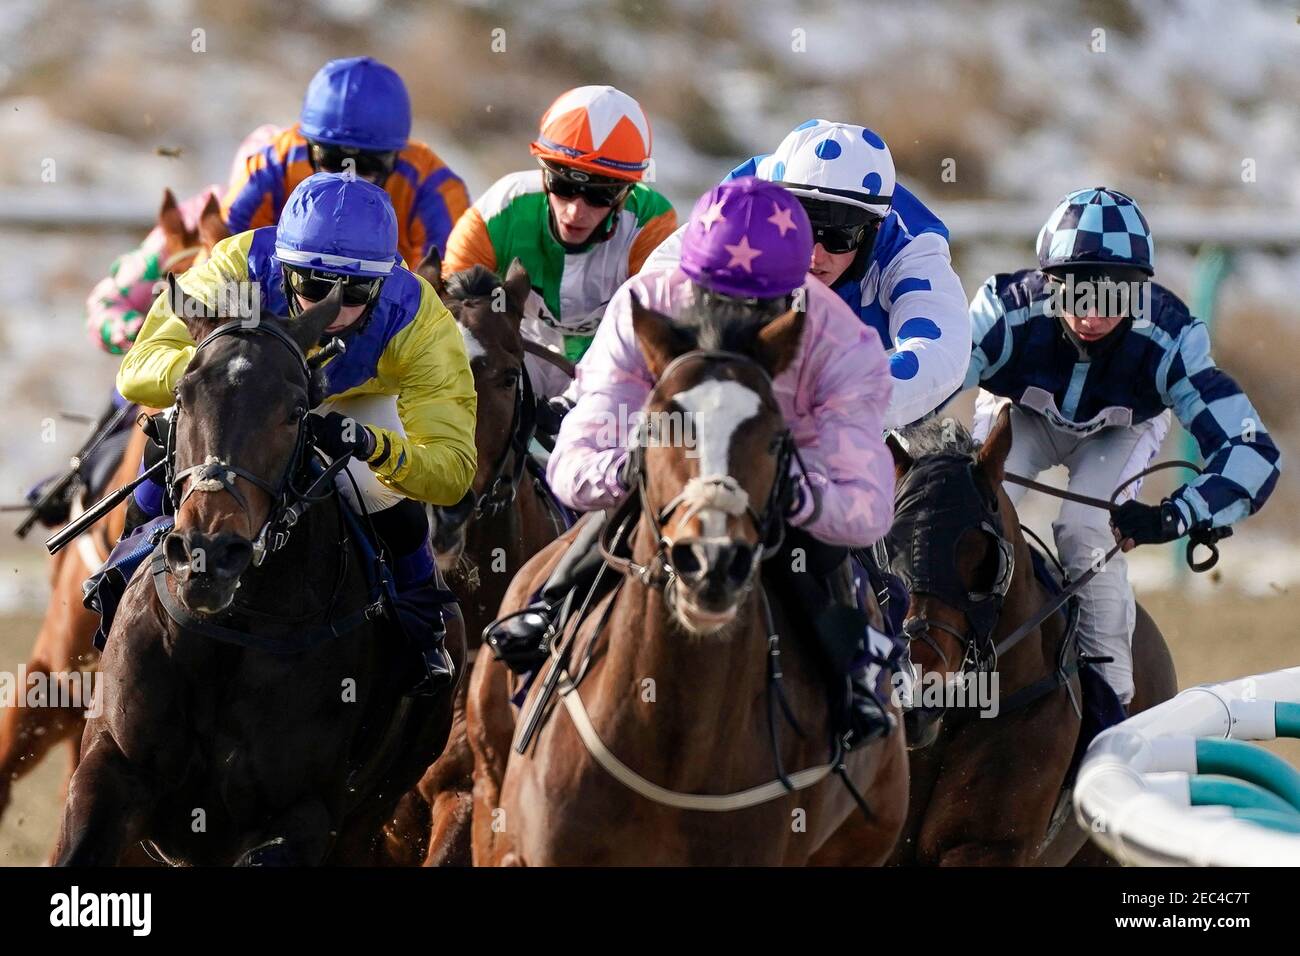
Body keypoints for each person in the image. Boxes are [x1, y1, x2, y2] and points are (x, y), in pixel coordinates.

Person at [485, 177, 900, 745]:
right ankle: (550, 605)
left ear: (794, 290)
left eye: (758, 307)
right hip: (671, 473)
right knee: (625, 506)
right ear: (689, 278)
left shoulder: (843, 344)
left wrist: (793, 494)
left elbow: (867, 507)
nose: (735, 320)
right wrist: (632, 470)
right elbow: (573, 463)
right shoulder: (646, 307)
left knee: (821, 549)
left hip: (781, 471)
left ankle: (850, 682)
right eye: (717, 300)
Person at [116, 173, 478, 695]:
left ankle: (424, 634)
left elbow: (450, 471)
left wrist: (376, 446)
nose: (331, 307)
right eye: (312, 285)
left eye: (354, 291)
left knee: (381, 494)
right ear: (284, 270)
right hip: (251, 392)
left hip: (353, 403)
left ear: (384, 281)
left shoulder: (417, 317)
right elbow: (139, 367)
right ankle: (118, 578)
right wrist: (228, 377)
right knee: (166, 443)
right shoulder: (241, 268)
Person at [962, 186, 1281, 710]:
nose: (1090, 315)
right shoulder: (1001, 312)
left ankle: (1111, 707)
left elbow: (1254, 452)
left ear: (1139, 292)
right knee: (980, 517)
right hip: (1017, 414)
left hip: (1119, 431)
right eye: (1074, 293)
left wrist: (1176, 516)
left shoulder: (1172, 337)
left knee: (1085, 531)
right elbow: (917, 396)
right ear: (1048, 283)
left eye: (1111, 296)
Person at [643, 119, 970, 431]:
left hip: (849, 403)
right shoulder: (737, 211)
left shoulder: (910, 249)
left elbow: (940, 352)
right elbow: (649, 299)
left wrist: (828, 398)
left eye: (839, 238)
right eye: (799, 230)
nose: (814, 255)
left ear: (875, 230)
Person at [442, 84, 677, 400]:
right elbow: (453, 312)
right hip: (522, 359)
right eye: (563, 184)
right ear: (543, 172)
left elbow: (653, 337)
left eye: (599, 193)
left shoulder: (652, 222)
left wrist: (581, 397)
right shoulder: (499, 209)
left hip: (615, 369)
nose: (576, 210)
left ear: (626, 193)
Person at [223, 56, 470, 269]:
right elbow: (222, 263)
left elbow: (438, 297)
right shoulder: (273, 165)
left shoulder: (435, 191)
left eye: (366, 164)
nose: (348, 176)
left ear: (396, 156)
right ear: (308, 145)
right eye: (332, 159)